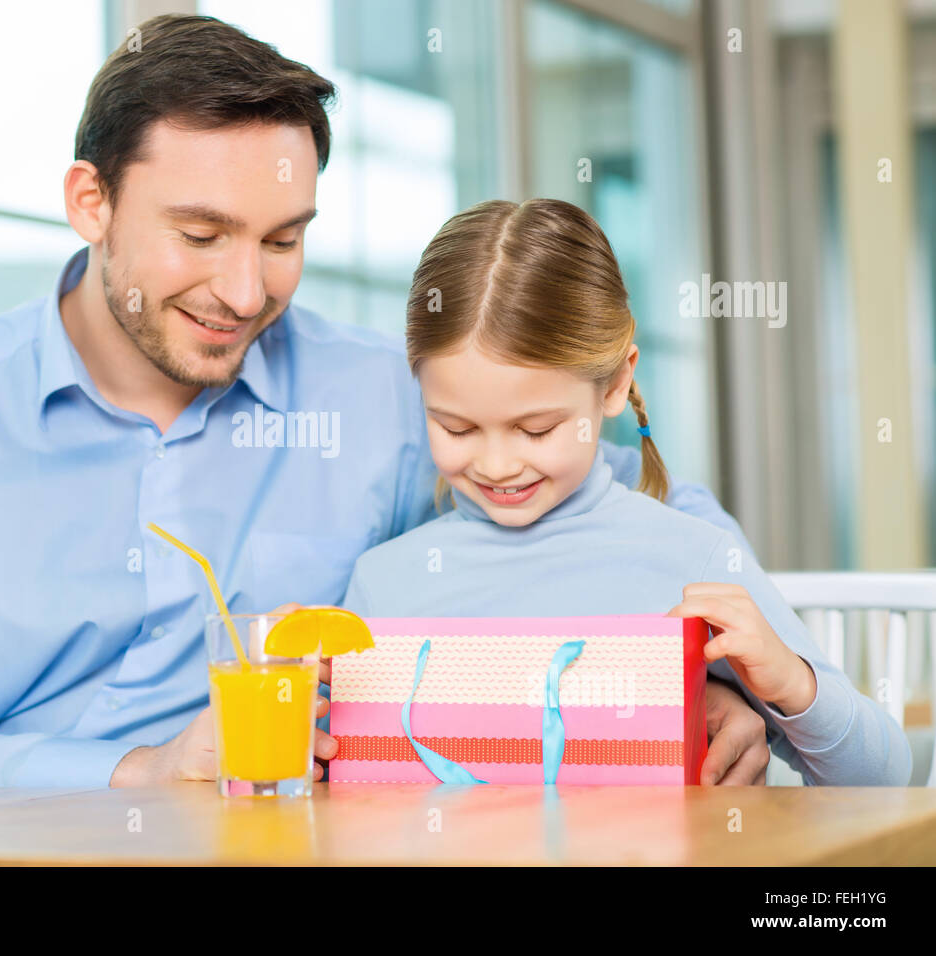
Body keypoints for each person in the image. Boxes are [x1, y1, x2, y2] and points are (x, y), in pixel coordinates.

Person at [0, 14, 773, 790]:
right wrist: (135, 774)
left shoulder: (385, 400)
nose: (243, 292)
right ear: (90, 202)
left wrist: (703, 682)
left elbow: (616, 498)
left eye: (281, 241)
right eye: (200, 234)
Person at [341, 198, 911, 785]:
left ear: (616, 385)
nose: (497, 464)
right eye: (456, 428)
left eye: (536, 429)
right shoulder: (382, 587)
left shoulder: (697, 562)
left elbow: (889, 783)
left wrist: (793, 684)